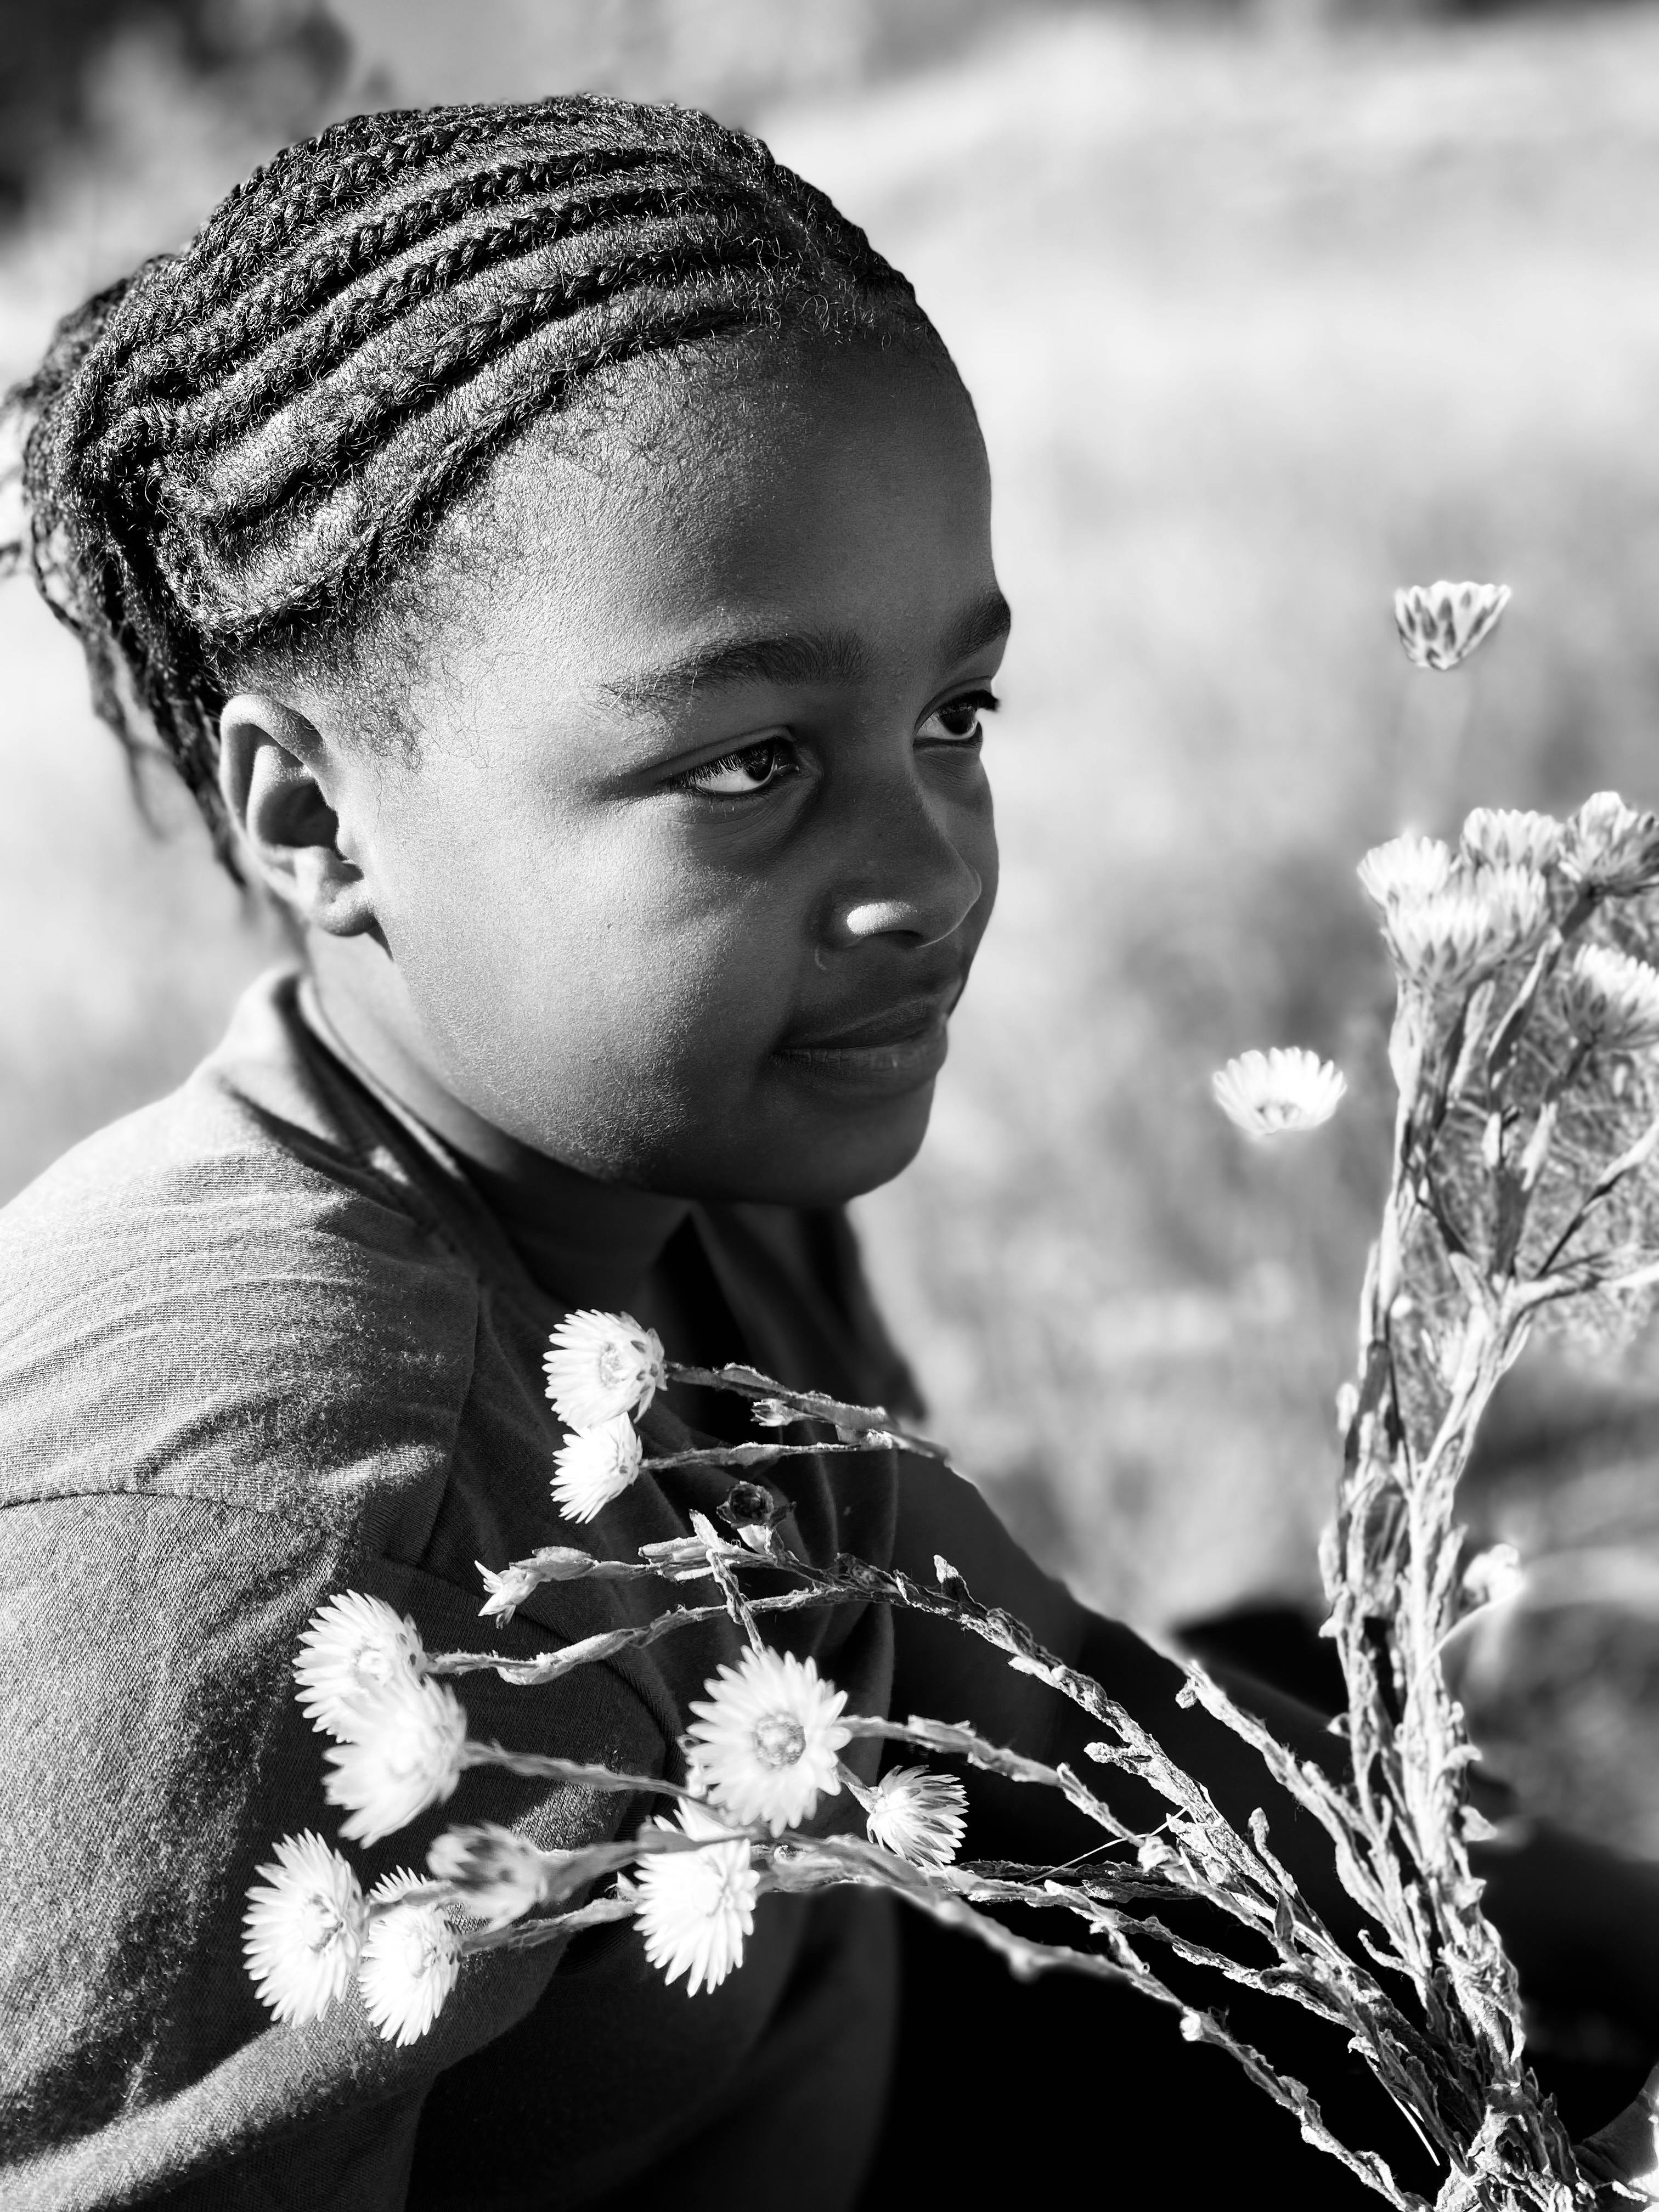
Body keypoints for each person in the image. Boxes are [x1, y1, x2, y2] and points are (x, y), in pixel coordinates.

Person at [1, 93, 1656, 2212]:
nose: (932, 873)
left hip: (911, 2076)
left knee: (1305, 1684)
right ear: (316, 817)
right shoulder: (287, 1535)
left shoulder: (683, 1200)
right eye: (753, 762)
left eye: (955, 719)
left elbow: (1053, 1709)